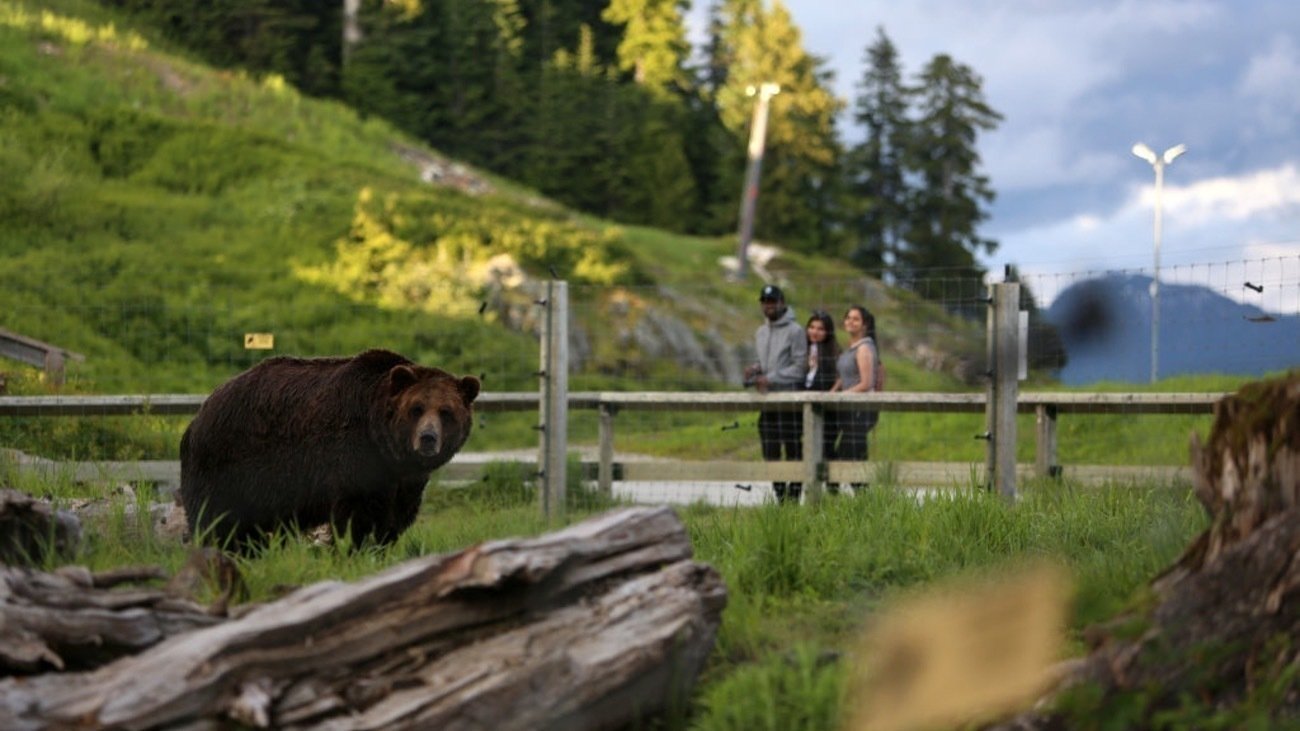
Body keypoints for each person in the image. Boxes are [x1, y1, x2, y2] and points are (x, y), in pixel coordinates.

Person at [743, 284, 808, 504]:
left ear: (782, 303)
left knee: (793, 448)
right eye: (765, 302)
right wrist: (755, 369)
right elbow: (765, 363)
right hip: (768, 401)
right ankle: (781, 497)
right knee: (769, 449)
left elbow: (800, 368)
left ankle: (794, 496)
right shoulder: (760, 332)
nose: (769, 306)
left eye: (773, 301)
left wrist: (770, 378)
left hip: (789, 401)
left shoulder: (796, 331)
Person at [831, 305, 882, 481]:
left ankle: (841, 492)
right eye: (848, 318)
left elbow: (866, 383)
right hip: (849, 410)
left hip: (861, 410)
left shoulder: (864, 349)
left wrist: (841, 396)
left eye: (855, 319)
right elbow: (845, 376)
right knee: (856, 454)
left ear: (864, 324)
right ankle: (861, 499)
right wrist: (832, 392)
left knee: (847, 453)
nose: (850, 322)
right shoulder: (851, 348)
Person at [803, 311, 841, 485]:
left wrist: (831, 393)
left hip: (827, 405)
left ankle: (832, 484)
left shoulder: (833, 352)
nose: (815, 332)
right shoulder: (801, 350)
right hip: (805, 402)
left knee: (826, 446)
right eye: (811, 327)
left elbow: (840, 377)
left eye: (820, 329)